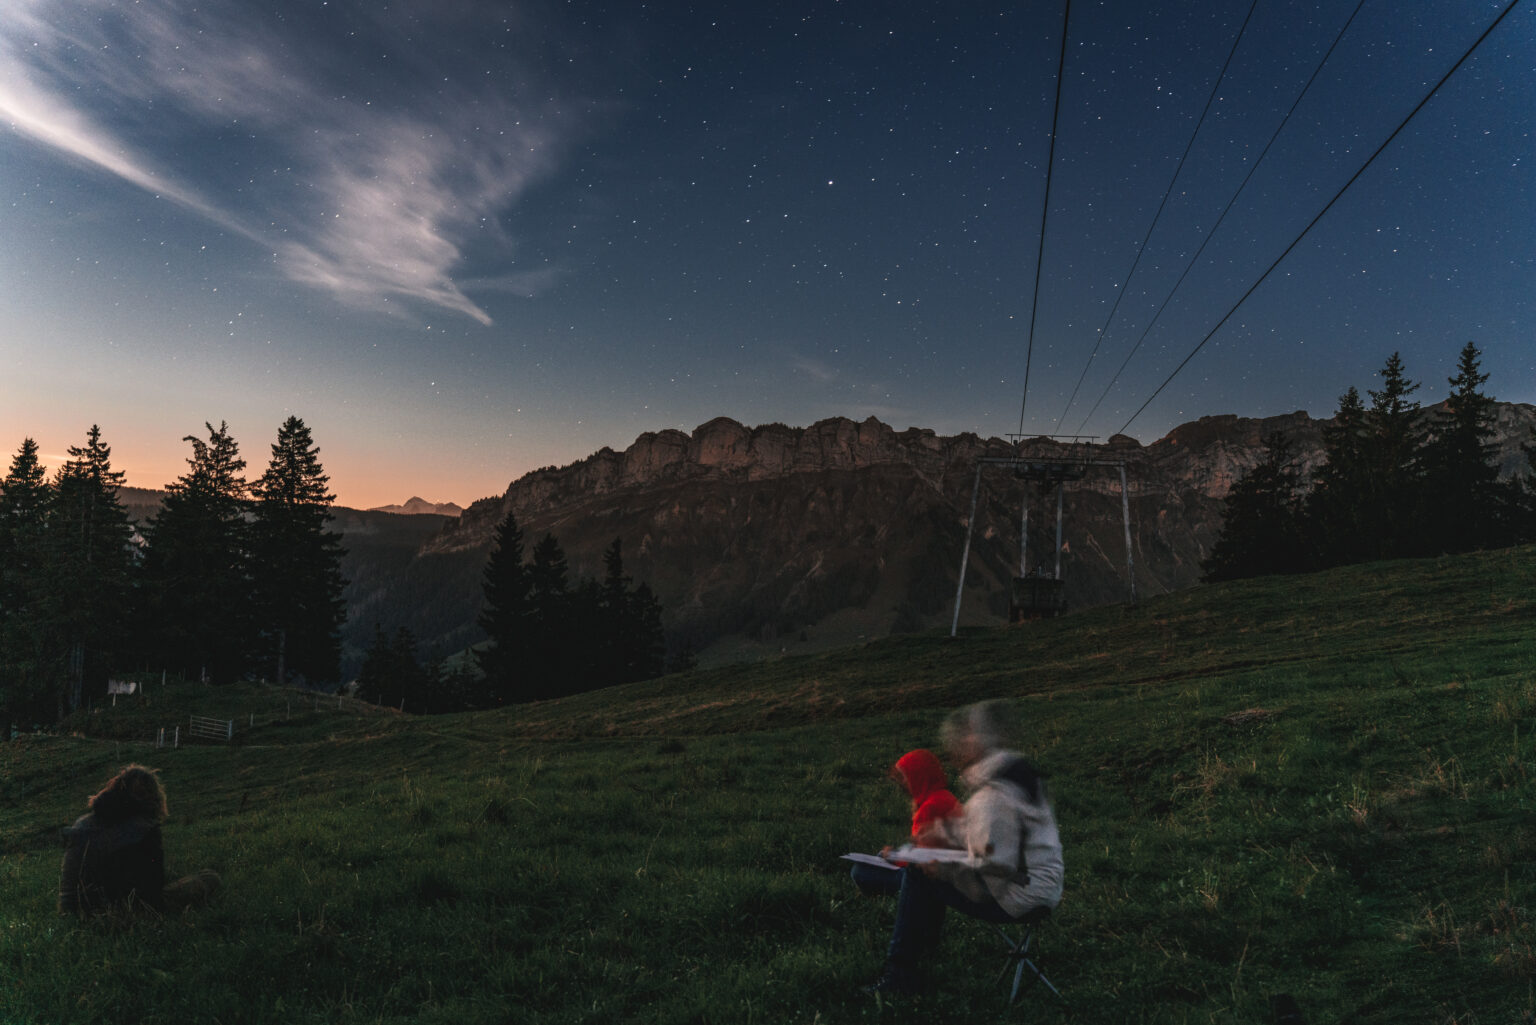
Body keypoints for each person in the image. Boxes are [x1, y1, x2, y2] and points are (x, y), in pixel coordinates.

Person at [864, 700, 1063, 995]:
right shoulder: (1010, 778)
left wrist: (944, 868)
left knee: (920, 875)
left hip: (1018, 897)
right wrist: (937, 834)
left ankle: (901, 974)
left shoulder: (994, 794)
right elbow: (975, 827)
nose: (957, 745)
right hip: (1038, 888)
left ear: (981, 742)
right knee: (925, 870)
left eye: (968, 735)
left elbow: (997, 865)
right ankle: (922, 952)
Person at [59, 764, 220, 917]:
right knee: (209, 877)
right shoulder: (145, 827)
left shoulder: (82, 823)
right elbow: (153, 890)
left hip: (72, 912)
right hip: (121, 914)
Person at [850, 748, 962, 898]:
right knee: (879, 858)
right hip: (951, 871)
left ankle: (888, 890)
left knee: (859, 870)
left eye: (906, 778)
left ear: (918, 777)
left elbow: (921, 861)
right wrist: (895, 854)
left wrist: (894, 858)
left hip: (932, 878)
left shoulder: (929, 808)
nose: (902, 783)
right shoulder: (944, 796)